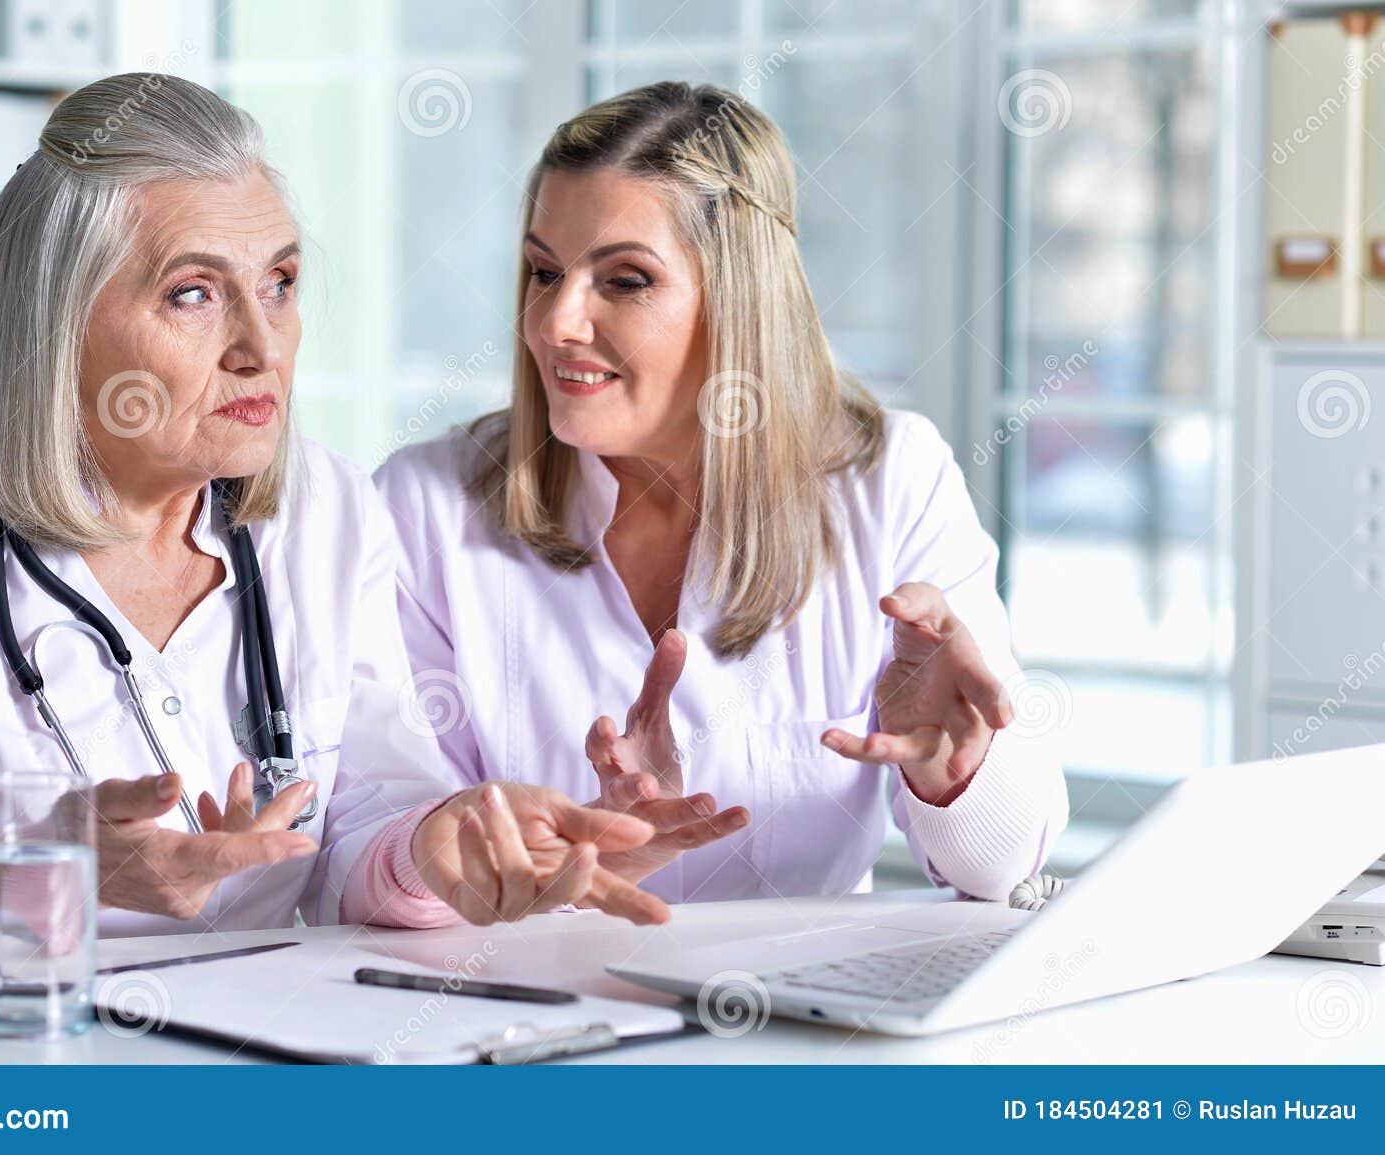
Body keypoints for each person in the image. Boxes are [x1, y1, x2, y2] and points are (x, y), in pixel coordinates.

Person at [0, 74, 670, 957]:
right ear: (55, 321)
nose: (262, 345)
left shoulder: (327, 513)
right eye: (193, 293)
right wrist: (47, 873)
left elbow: (366, 831)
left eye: (279, 282)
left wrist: (437, 852)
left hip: (251, 1035)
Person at [376, 82, 1068, 904]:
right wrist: (547, 865)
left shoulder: (891, 481)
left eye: (624, 280)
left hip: (799, 988)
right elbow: (376, 859)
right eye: (544, 271)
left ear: (742, 301)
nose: (555, 323)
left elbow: (1002, 871)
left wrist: (957, 770)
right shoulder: (424, 507)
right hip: (517, 983)